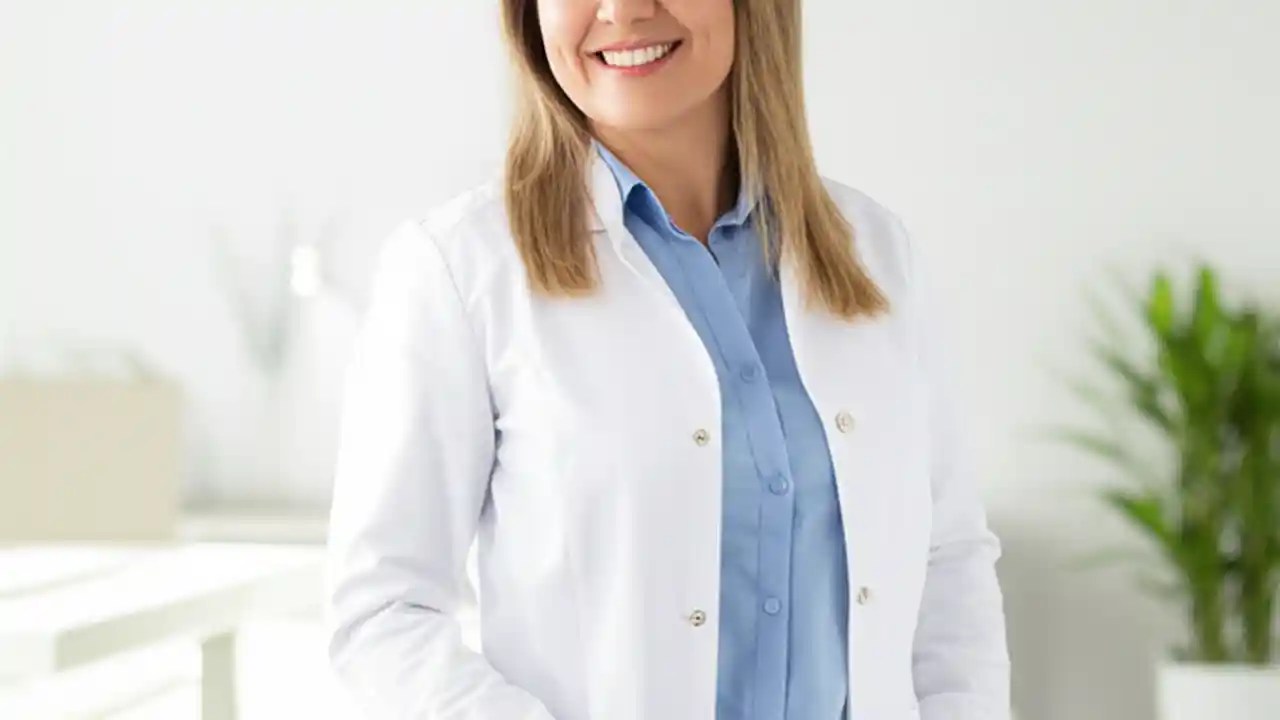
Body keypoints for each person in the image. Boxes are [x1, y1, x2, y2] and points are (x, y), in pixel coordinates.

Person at [324, 1, 1011, 718]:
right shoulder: (458, 270)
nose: (622, 10)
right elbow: (382, 615)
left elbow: (947, 564)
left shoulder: (876, 251)